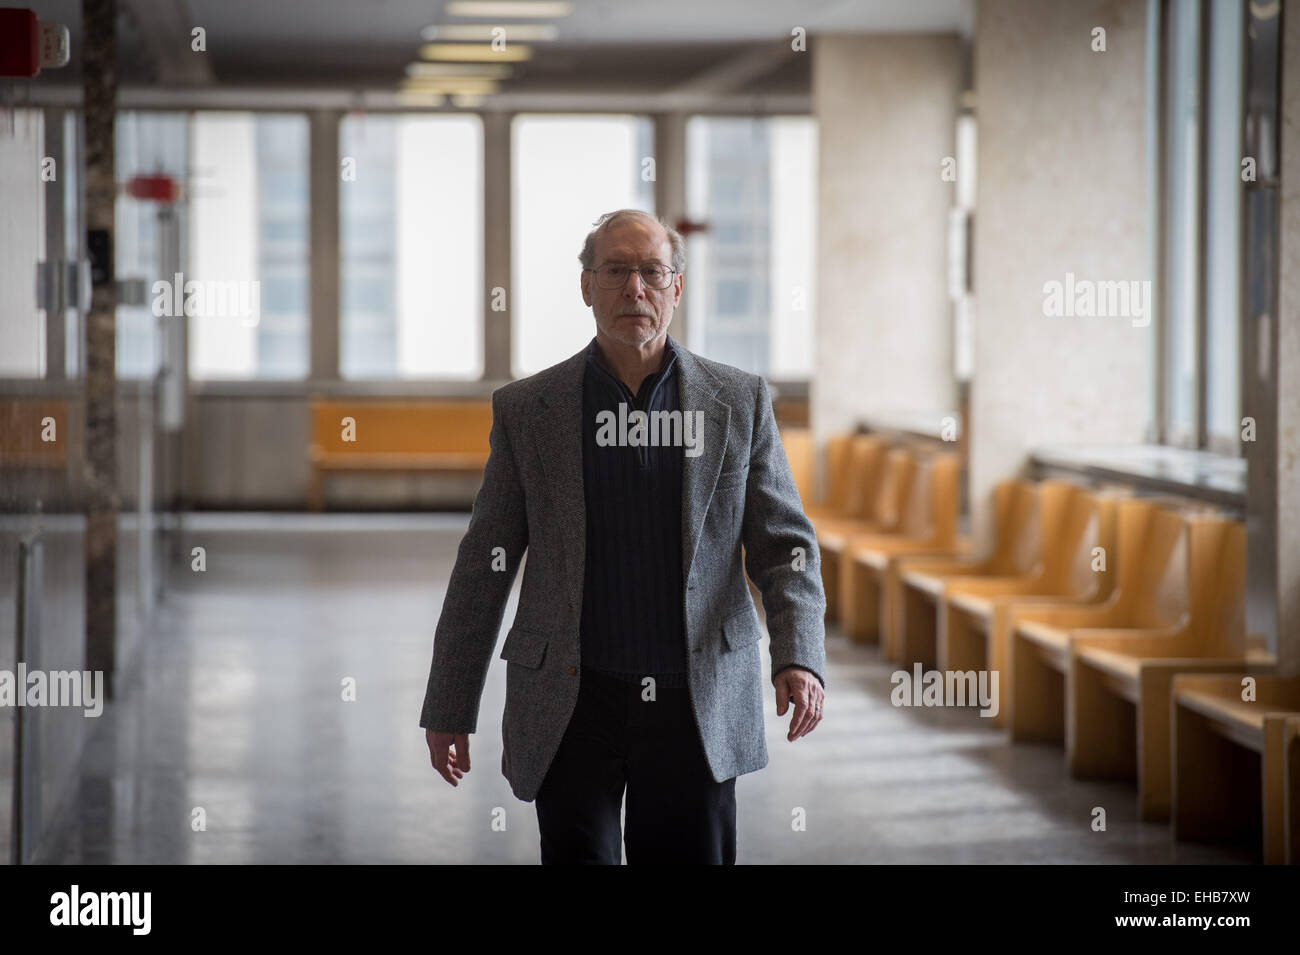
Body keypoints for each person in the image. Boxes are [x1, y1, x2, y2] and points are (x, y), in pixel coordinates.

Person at [419, 208, 826, 864]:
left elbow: (785, 544)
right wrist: (450, 700)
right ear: (587, 286)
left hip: (696, 701)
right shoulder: (531, 410)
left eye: (651, 271)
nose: (634, 287)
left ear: (676, 287)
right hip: (573, 700)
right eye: (615, 271)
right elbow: (484, 565)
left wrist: (799, 653)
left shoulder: (739, 401)